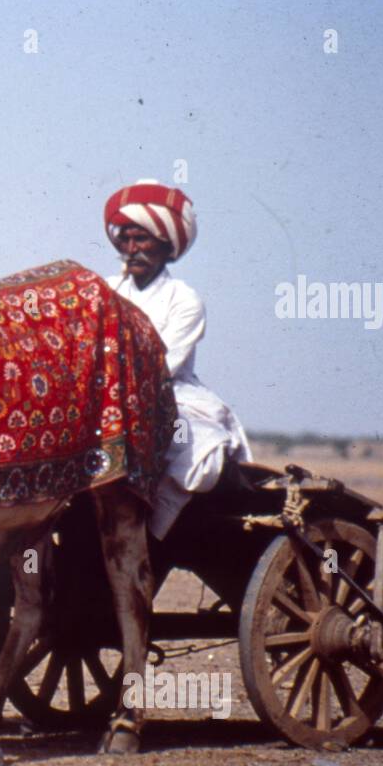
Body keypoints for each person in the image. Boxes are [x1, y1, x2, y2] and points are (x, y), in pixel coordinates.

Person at [103, 179, 252, 541]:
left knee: (194, 454)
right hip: (104, 396)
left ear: (167, 246)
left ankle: (153, 538)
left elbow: (160, 368)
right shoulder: (105, 291)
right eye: (125, 239)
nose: (132, 248)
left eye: (143, 239)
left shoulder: (184, 300)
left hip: (169, 397)